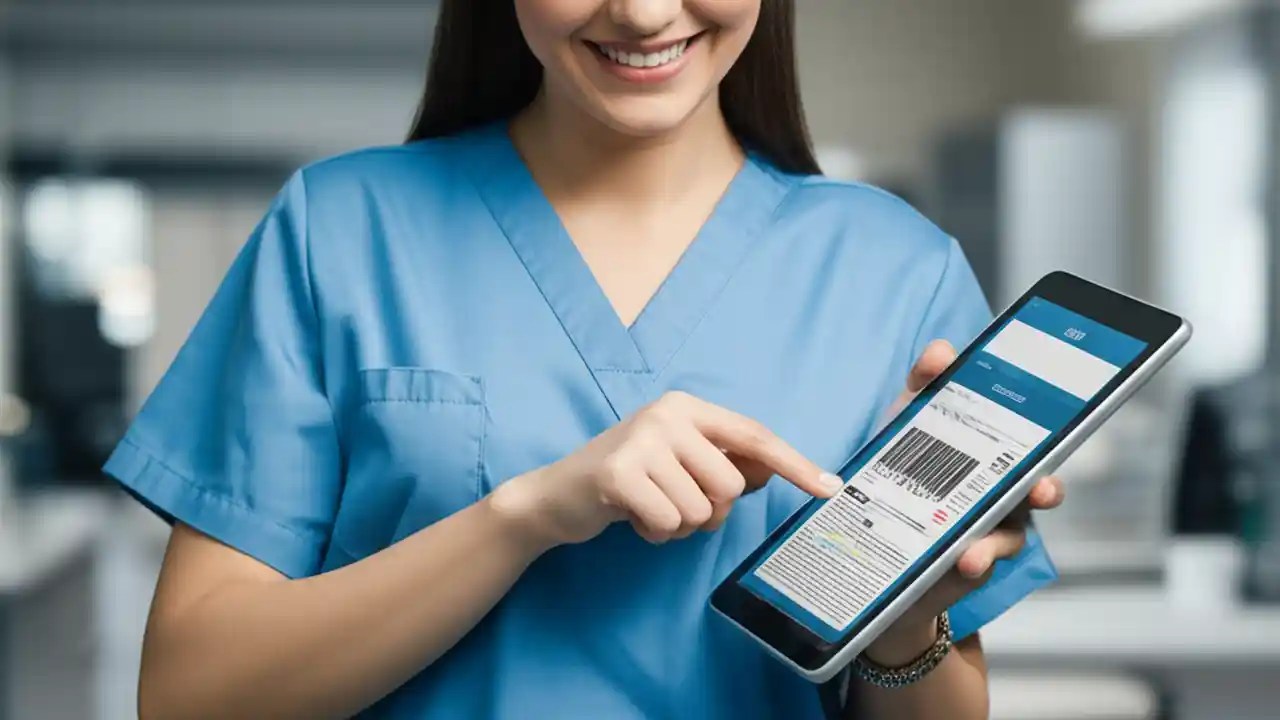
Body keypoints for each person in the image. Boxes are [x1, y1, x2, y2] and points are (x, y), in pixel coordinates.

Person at [105, 1, 1063, 718]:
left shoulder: (896, 269)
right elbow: (191, 693)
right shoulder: (339, 231)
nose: (644, 12)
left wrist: (905, 619)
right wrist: (525, 515)